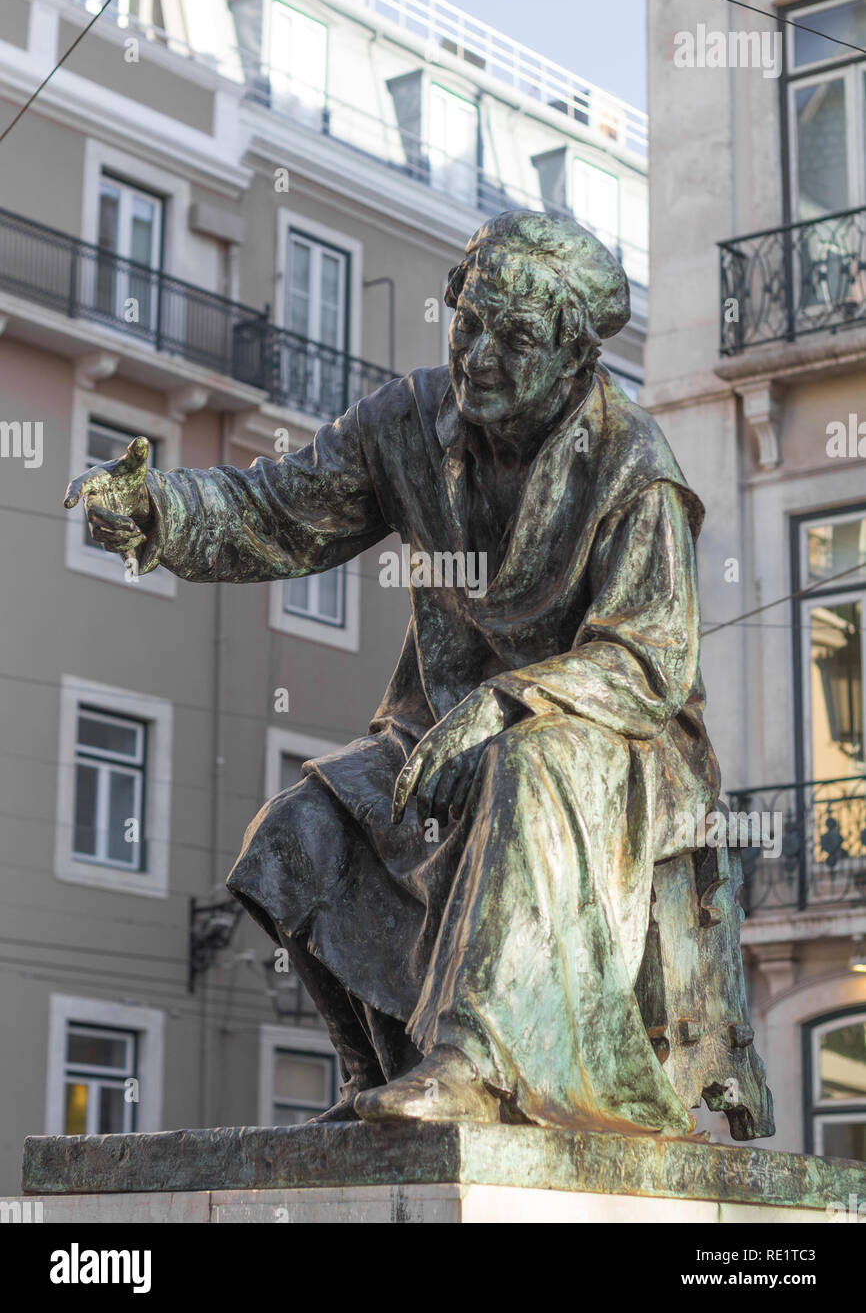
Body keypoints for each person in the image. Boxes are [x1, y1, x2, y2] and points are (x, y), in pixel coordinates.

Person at [65, 210, 720, 1134]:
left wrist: (507, 703)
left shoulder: (632, 463)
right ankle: (379, 1072)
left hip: (610, 741)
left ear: (576, 357)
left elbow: (648, 659)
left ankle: (478, 1066)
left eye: (517, 336)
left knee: (524, 768)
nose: (481, 353)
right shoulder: (406, 422)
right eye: (470, 318)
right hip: (440, 726)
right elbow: (276, 508)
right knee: (298, 826)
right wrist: (157, 507)